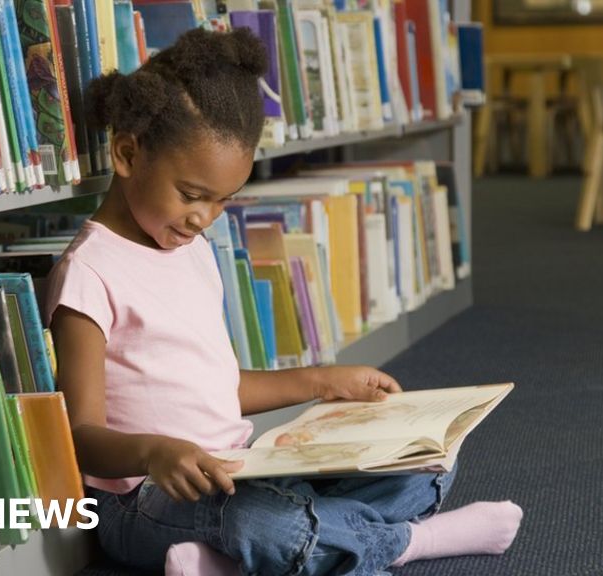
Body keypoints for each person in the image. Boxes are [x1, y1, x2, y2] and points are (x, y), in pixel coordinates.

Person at [46, 27, 523, 576]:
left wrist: (322, 381)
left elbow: (214, 389)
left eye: (223, 202)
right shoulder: (89, 273)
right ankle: (416, 540)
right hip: (141, 502)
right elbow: (79, 436)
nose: (204, 218)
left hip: (241, 472)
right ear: (128, 153)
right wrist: (154, 451)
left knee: (427, 464)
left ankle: (223, 564)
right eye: (192, 195)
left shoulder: (192, 248)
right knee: (262, 523)